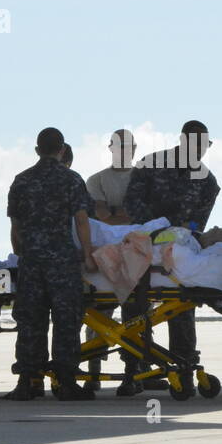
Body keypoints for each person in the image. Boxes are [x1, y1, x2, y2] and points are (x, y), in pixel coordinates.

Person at [3, 127, 98, 401]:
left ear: (37, 150)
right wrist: (89, 254)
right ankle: (66, 381)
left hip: (32, 262)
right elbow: (82, 220)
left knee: (31, 320)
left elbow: (15, 226)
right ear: (62, 150)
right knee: (66, 320)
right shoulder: (71, 180)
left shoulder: (21, 181)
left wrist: (21, 254)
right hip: (62, 263)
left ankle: (28, 382)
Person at [125, 120, 220, 368]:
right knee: (135, 305)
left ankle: (183, 365)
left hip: (178, 252)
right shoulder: (149, 165)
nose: (202, 149)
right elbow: (131, 202)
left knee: (180, 308)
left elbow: (197, 224)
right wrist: (156, 228)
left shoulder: (208, 182)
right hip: (144, 244)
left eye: (206, 144)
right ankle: (134, 366)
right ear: (184, 140)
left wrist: (175, 235)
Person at [85, 130, 146, 394]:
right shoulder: (96, 180)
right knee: (98, 319)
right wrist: (120, 213)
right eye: (118, 145)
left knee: (138, 320)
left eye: (128, 145)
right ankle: (93, 372)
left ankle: (135, 374)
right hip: (105, 260)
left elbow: (137, 213)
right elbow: (102, 216)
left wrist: (115, 213)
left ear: (134, 148)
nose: (123, 149)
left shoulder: (142, 178)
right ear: (110, 148)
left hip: (136, 259)